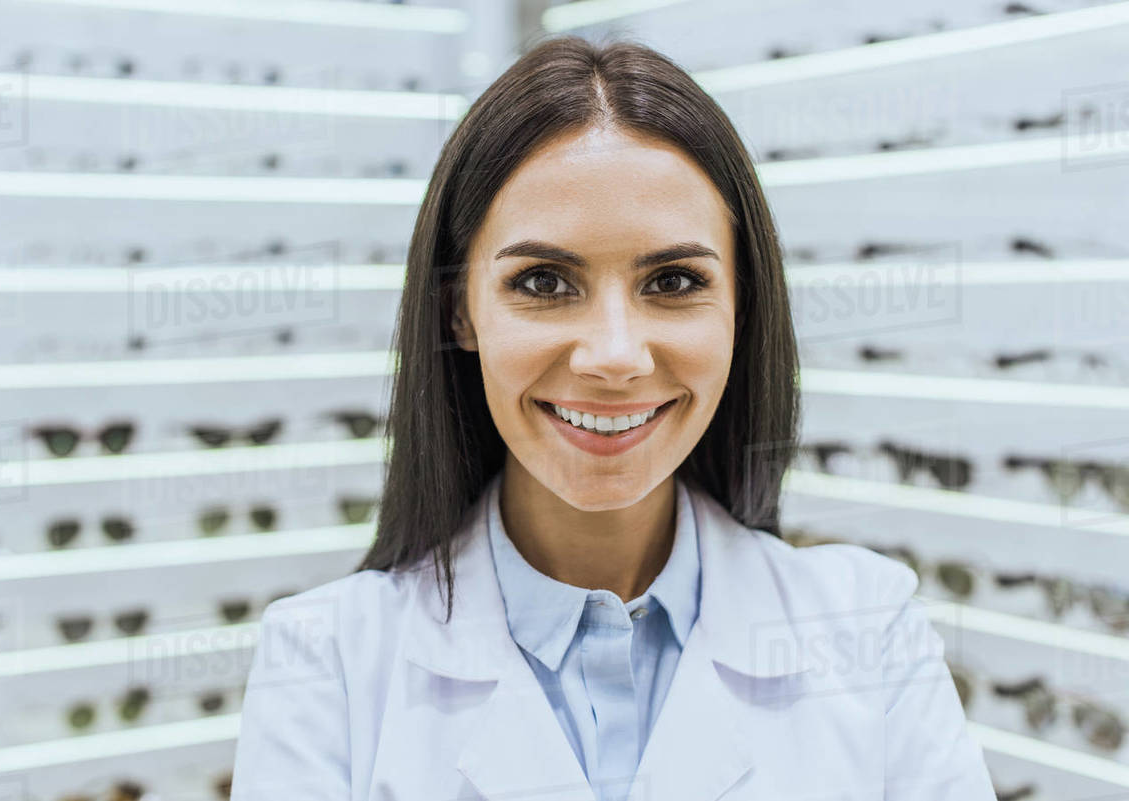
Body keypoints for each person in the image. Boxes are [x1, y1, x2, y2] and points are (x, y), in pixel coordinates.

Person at [229, 35, 998, 801]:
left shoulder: (873, 630)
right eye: (542, 281)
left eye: (672, 279)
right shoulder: (324, 663)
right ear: (458, 311)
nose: (615, 355)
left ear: (742, 308)